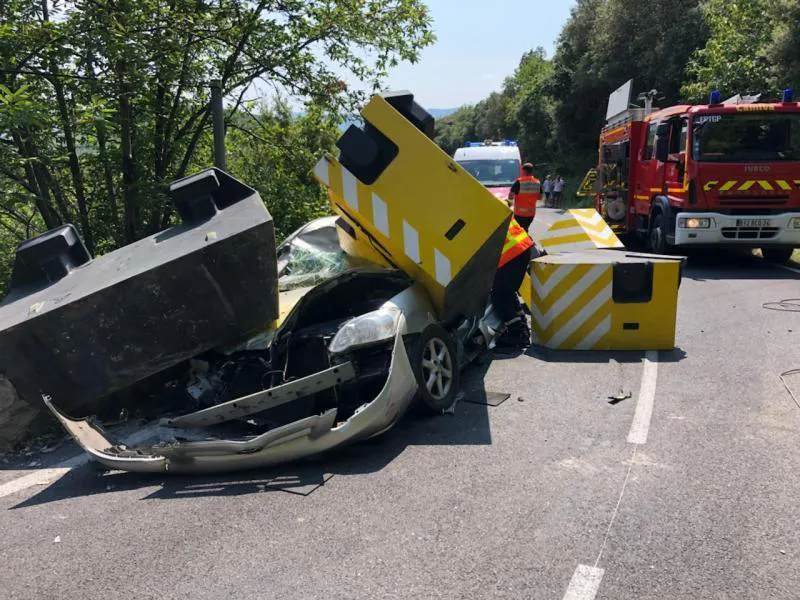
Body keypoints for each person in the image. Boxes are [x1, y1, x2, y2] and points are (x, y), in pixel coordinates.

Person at [491, 218, 535, 348]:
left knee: (500, 295)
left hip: (512, 253)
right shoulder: (485, 202)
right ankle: (522, 330)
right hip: (521, 247)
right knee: (507, 292)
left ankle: (517, 334)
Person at [507, 162, 540, 232]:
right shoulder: (537, 182)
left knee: (520, 231)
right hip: (531, 214)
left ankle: (526, 242)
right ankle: (527, 241)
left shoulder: (519, 181)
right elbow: (540, 197)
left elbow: (510, 196)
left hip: (519, 214)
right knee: (525, 229)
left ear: (523, 171)